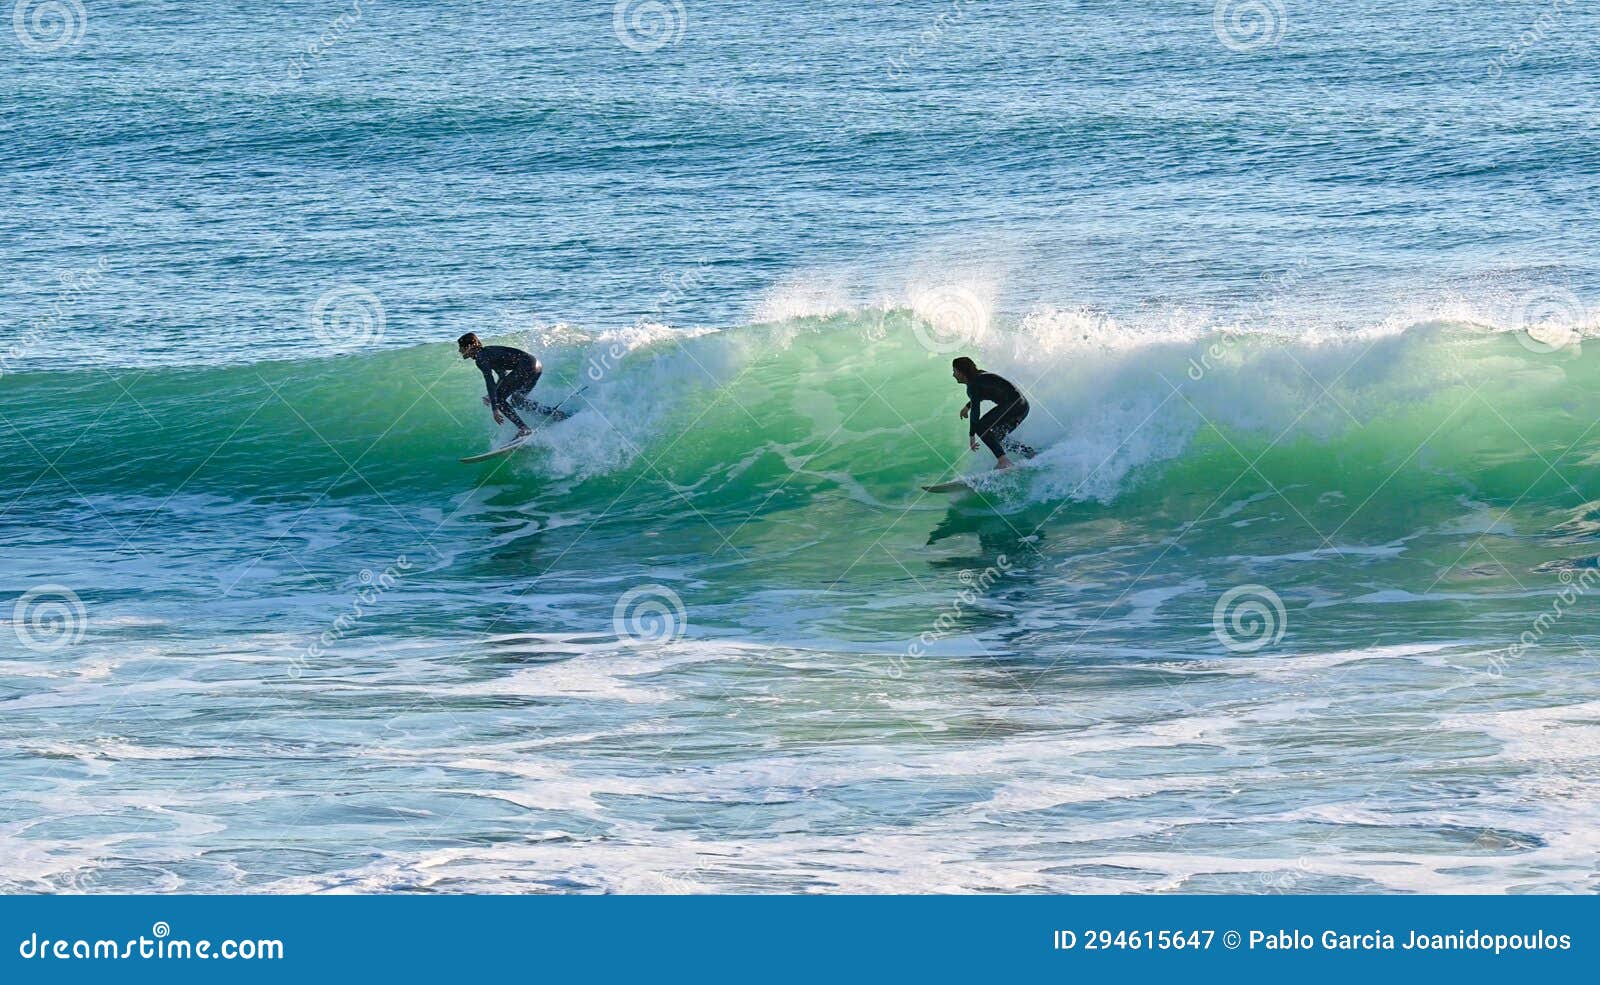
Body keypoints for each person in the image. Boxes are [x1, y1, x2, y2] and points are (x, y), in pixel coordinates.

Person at [952, 355, 1031, 470]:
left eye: (955, 371)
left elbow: (976, 411)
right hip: (1022, 406)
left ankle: (1003, 461)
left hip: (1014, 406)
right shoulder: (979, 376)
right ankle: (1029, 452)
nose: (953, 375)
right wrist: (967, 406)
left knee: (980, 426)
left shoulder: (972, 386)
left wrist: (972, 435)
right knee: (996, 437)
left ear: (962, 372)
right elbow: (982, 394)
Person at [458, 332, 543, 437]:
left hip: (526, 366)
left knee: (499, 399)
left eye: (461, 347)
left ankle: (524, 429)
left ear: (470, 347)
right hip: (536, 366)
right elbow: (502, 375)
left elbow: (490, 382)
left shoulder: (480, 358)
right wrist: (491, 395)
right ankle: (552, 413)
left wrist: (494, 408)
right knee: (517, 400)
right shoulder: (487, 353)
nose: (459, 350)